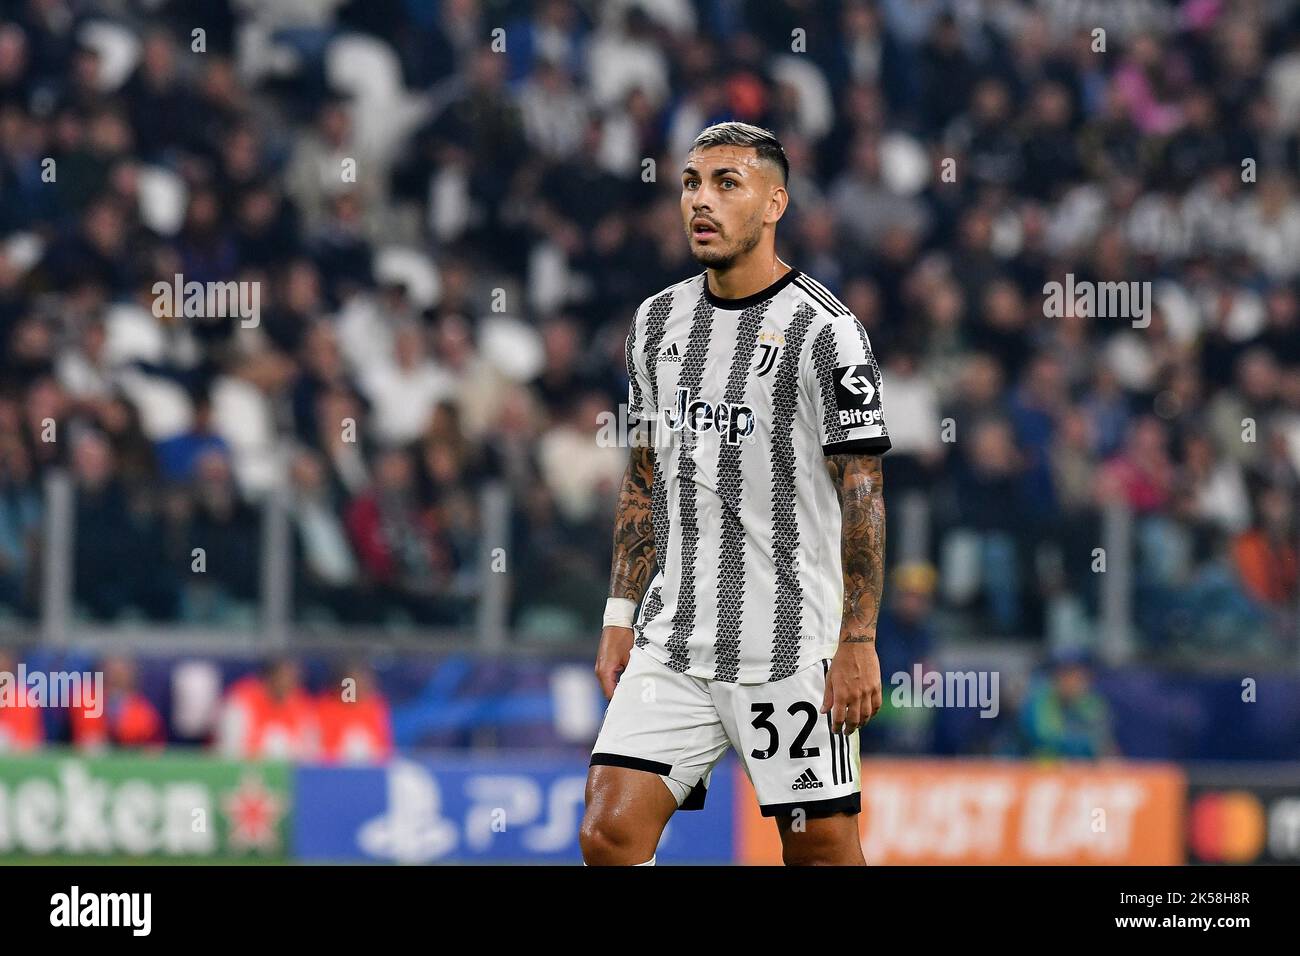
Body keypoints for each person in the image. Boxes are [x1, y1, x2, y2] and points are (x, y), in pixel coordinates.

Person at [580, 123, 890, 866]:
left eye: (727, 183)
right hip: (675, 640)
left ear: (774, 202)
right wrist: (620, 613)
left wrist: (858, 638)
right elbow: (644, 477)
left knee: (819, 852)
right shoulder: (656, 323)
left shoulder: (828, 332)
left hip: (791, 650)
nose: (701, 201)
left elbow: (865, 493)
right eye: (691, 182)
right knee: (609, 833)